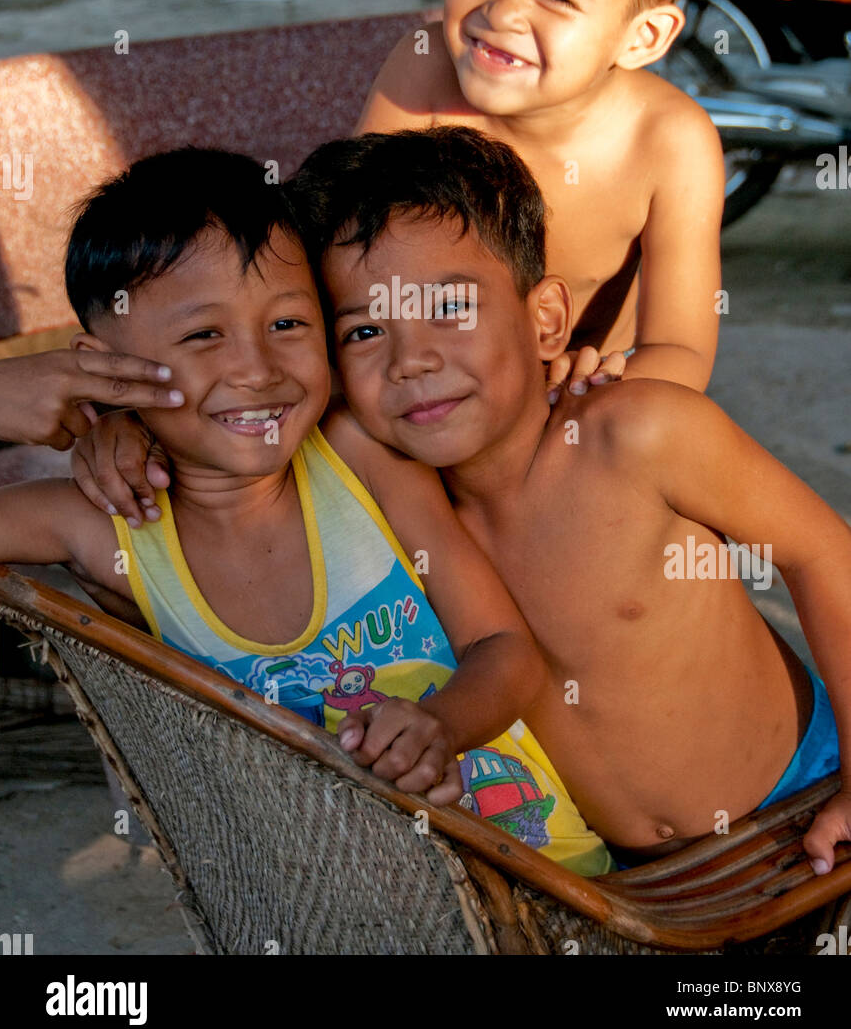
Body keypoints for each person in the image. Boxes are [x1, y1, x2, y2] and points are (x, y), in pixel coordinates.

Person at [0, 146, 611, 875]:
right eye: (203, 335)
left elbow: (504, 651)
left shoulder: (355, 454)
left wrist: (439, 726)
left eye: (288, 324)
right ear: (98, 361)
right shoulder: (100, 526)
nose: (258, 371)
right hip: (330, 914)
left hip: (547, 875)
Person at [284, 126, 851, 872]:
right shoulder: (383, 498)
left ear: (545, 319)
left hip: (799, 804)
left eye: (451, 307)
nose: (411, 359)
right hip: (612, 878)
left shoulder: (636, 434)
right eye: (363, 330)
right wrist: (118, 438)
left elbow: (820, 552)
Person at [356, 0, 740, 395]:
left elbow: (682, 350)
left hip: (578, 404)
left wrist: (601, 387)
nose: (501, 11)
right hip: (429, 386)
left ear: (643, 38)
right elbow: (348, 248)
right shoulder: (424, 71)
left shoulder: (670, 143)